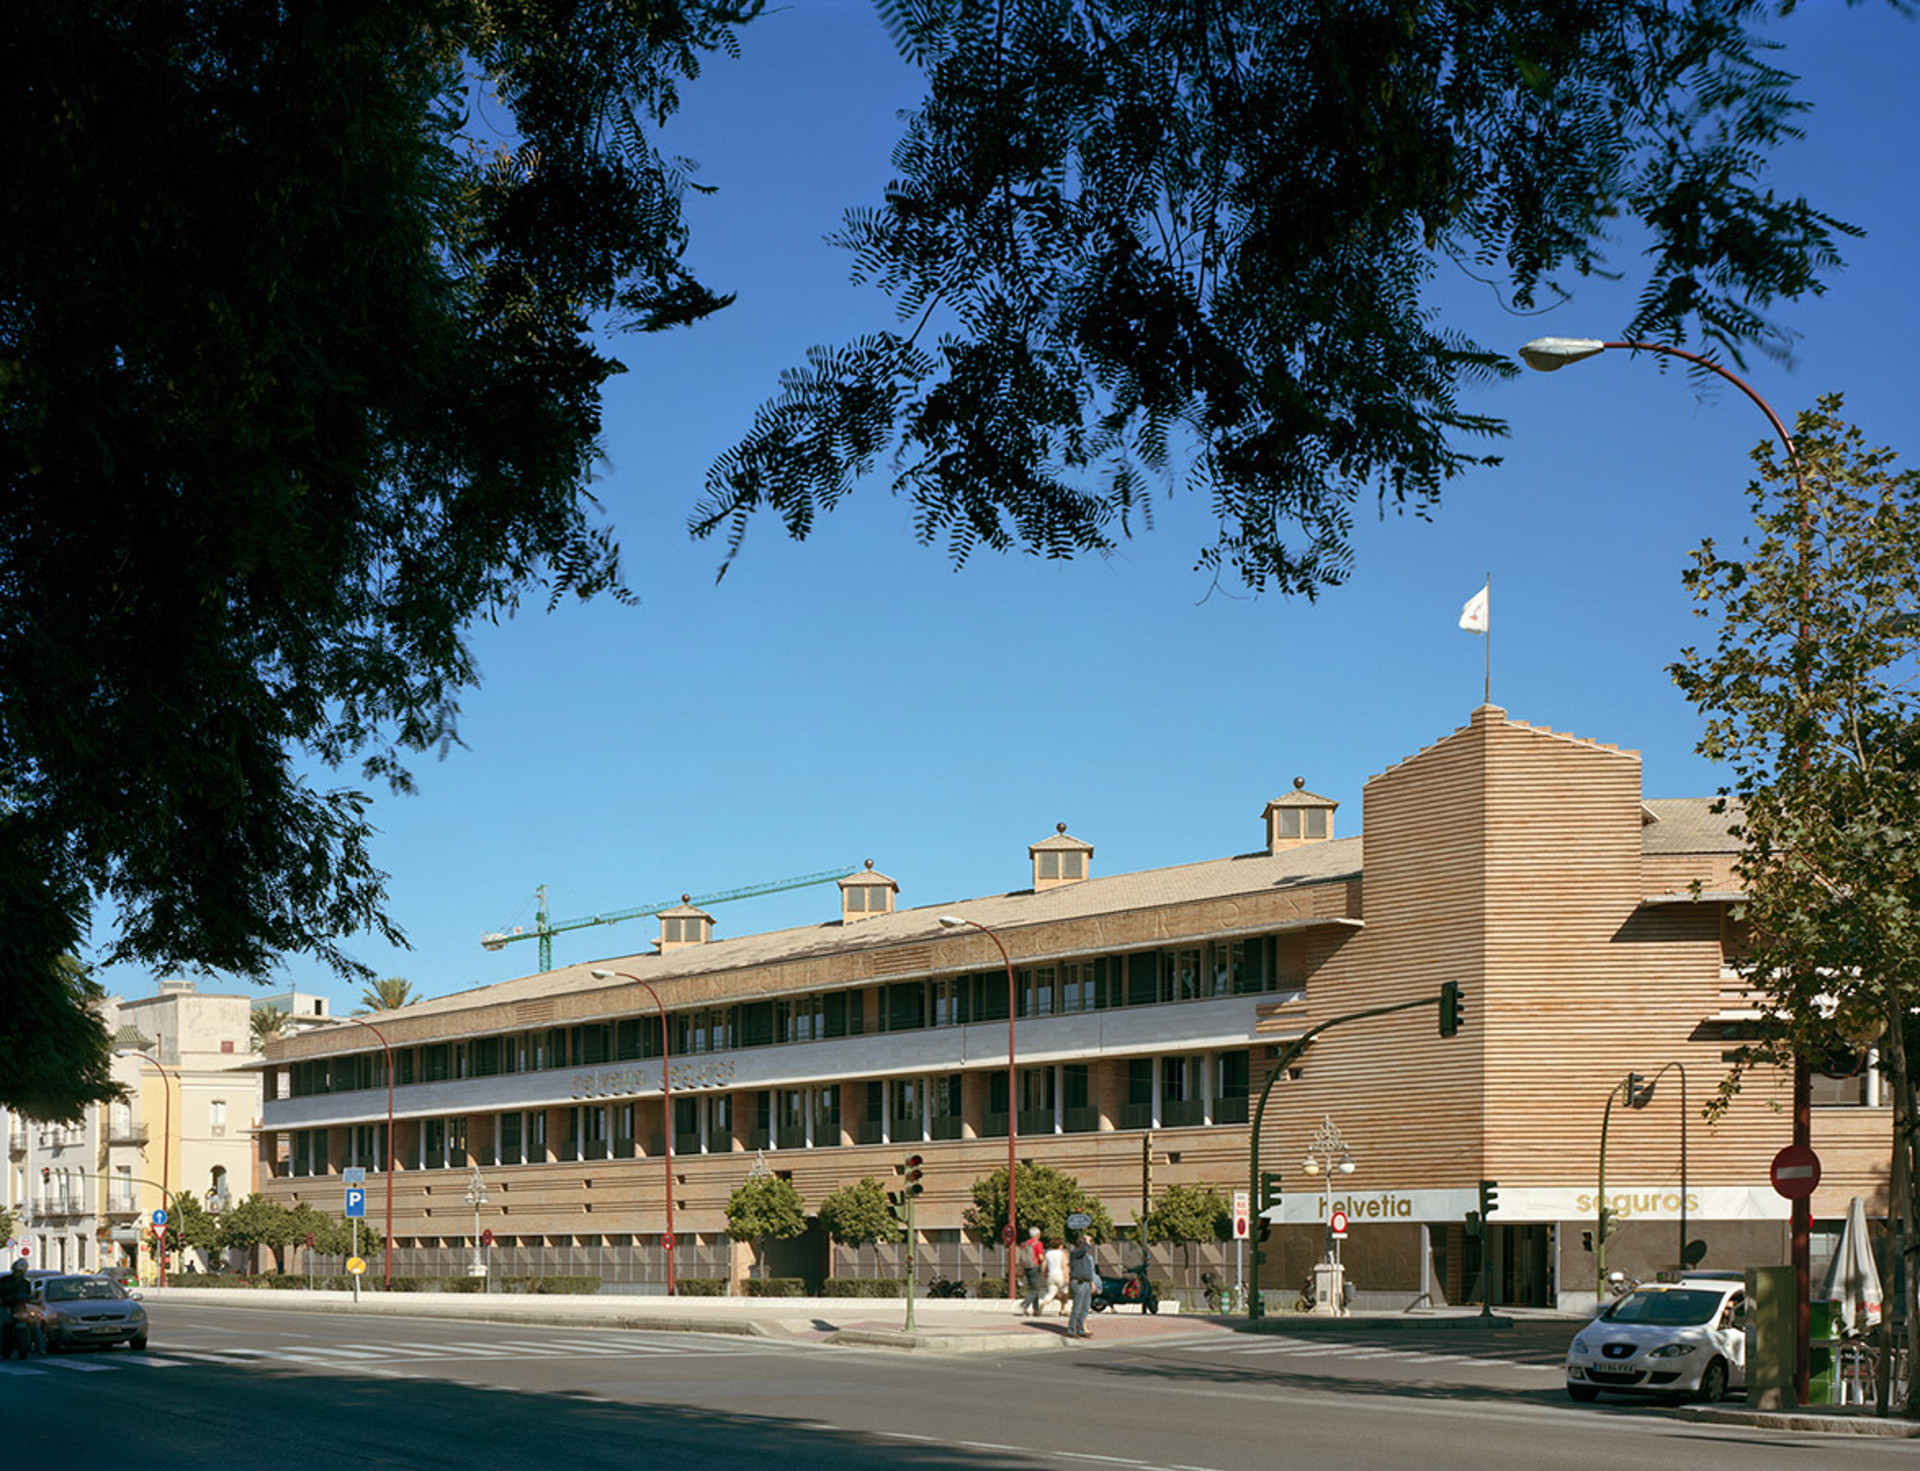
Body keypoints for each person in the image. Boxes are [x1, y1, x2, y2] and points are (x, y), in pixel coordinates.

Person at [1, 1258, 36, 1359]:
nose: (18, 1274)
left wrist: (31, 1300)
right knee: (3, 1326)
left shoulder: (26, 1283)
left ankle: (39, 1347)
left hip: (20, 1308)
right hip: (6, 1306)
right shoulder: (4, 1280)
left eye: (21, 1272)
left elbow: (28, 1295)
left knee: (35, 1325)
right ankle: (4, 1350)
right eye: (17, 1271)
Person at [1067, 1234, 1097, 1338]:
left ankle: (1081, 1329)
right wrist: (1087, 1241)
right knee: (1077, 1307)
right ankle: (1071, 1329)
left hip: (1086, 1283)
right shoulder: (1075, 1253)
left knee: (1085, 1307)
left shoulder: (1086, 1257)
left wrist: (1092, 1283)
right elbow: (1084, 1250)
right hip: (1078, 1282)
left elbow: (1089, 1271)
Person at [1019, 1225, 1045, 1316]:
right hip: (1035, 1267)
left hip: (1026, 1267)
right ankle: (1025, 1303)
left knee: (1034, 1288)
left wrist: (1021, 1270)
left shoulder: (1024, 1244)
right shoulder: (1038, 1244)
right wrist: (1044, 1263)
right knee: (1035, 1289)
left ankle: (1036, 1310)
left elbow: (1021, 1258)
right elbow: (1040, 1257)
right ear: (1037, 1235)